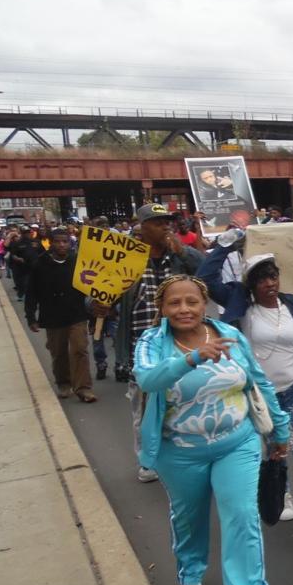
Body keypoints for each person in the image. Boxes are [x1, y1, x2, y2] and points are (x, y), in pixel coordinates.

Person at [134, 276, 290, 585]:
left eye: (192, 301)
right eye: (175, 303)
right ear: (162, 308)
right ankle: (191, 567)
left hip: (237, 443)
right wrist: (191, 359)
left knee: (242, 520)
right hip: (180, 452)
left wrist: (279, 430)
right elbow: (147, 380)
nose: (184, 309)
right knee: (190, 516)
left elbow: (259, 382)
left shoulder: (230, 336)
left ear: (205, 304)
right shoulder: (152, 342)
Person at [197, 245, 293, 535]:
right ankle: (282, 496)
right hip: (260, 394)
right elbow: (204, 278)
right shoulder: (241, 306)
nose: (270, 284)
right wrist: (227, 246)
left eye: (274, 277)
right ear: (251, 285)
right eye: (263, 279)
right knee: (274, 449)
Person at [106, 204, 203, 482]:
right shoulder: (125, 259)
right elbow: (98, 296)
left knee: (183, 401)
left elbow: (205, 269)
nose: (166, 227)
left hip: (178, 344)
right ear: (142, 227)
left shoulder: (178, 258)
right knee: (145, 407)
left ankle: (182, 452)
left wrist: (183, 251)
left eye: (167, 222)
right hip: (142, 348)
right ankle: (147, 459)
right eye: (158, 222)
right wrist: (98, 306)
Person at [24, 228, 97, 402]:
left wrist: (93, 317)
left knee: (80, 350)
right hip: (52, 316)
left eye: (65, 241)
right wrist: (31, 317)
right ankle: (64, 383)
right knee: (59, 352)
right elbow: (31, 292)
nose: (62, 245)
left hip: (76, 314)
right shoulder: (40, 264)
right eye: (57, 241)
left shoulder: (78, 261)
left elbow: (89, 289)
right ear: (51, 242)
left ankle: (84, 388)